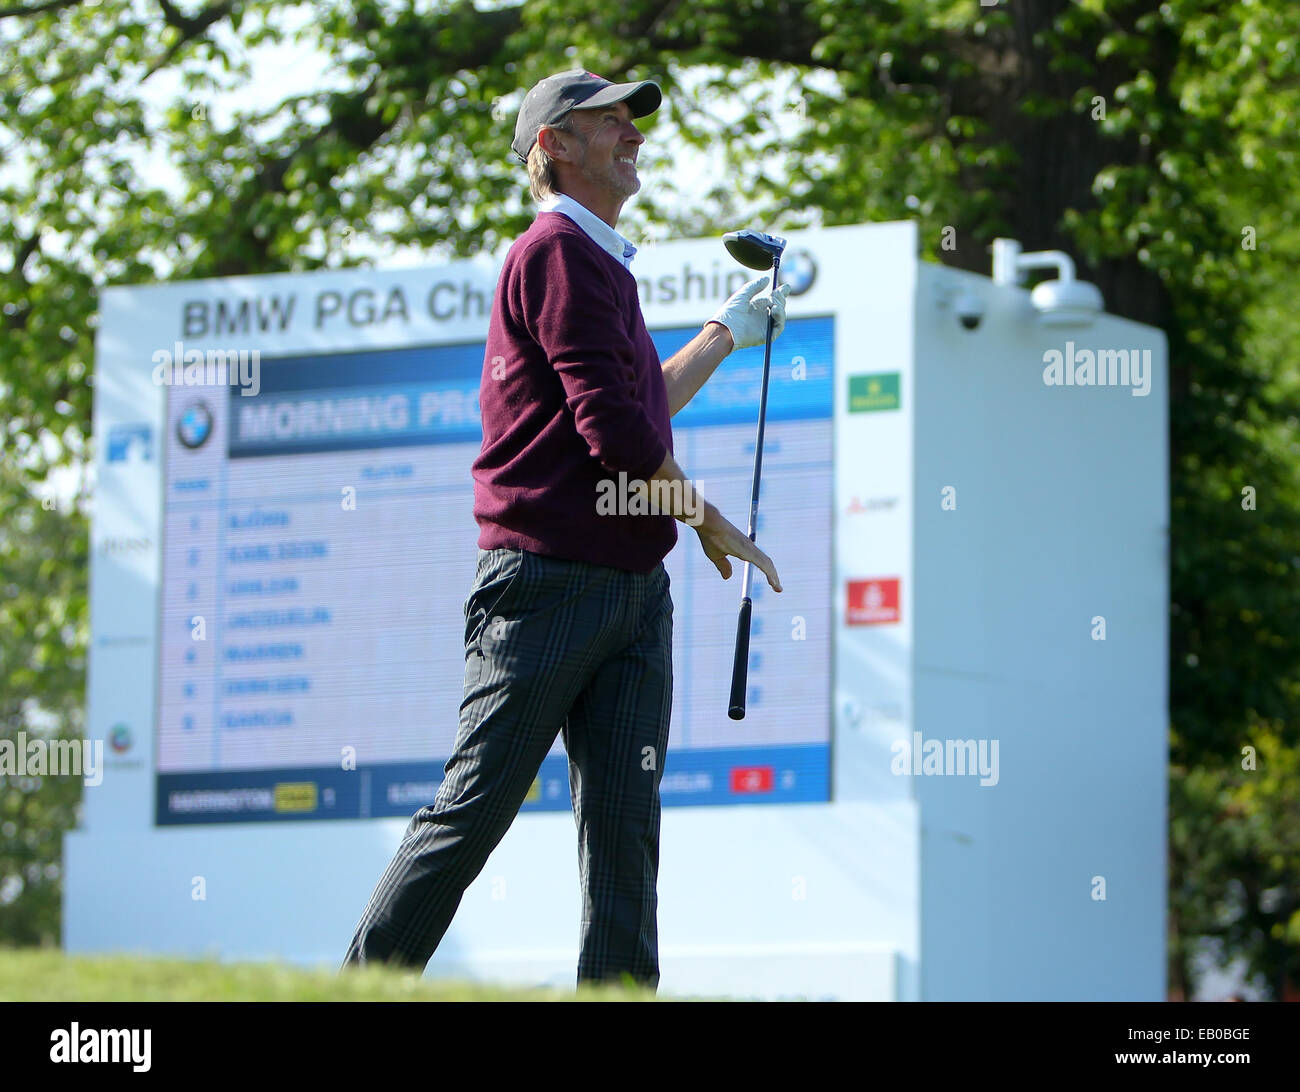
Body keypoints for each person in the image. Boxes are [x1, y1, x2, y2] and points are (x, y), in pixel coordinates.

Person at [341, 69, 789, 991]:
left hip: (630, 592)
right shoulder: (554, 253)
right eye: (609, 121)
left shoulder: (600, 262)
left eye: (632, 120)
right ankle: (354, 989)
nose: (633, 133)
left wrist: (722, 333)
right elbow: (621, 442)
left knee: (625, 831)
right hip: (545, 584)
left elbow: (636, 411)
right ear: (554, 145)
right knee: (472, 809)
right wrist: (708, 523)